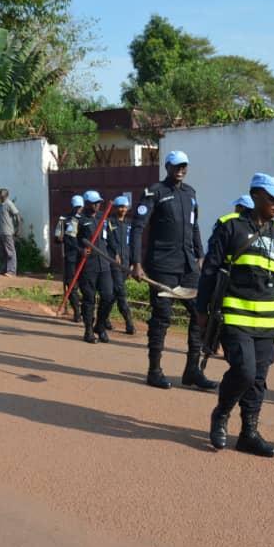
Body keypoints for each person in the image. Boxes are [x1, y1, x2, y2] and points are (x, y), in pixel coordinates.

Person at [197, 173, 274, 457]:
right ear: (255, 195)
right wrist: (202, 310)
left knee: (258, 380)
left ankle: (248, 434)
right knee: (244, 371)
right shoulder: (230, 228)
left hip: (267, 323)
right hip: (235, 316)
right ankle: (221, 414)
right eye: (272, 198)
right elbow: (209, 270)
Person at [129, 150, 216, 390]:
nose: (180, 170)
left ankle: (192, 370)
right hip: (162, 266)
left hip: (188, 265)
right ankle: (154, 370)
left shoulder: (190, 194)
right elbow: (137, 227)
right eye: (176, 166)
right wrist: (136, 262)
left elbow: (194, 226)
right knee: (162, 318)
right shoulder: (155, 192)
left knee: (200, 315)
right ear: (167, 167)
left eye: (184, 166)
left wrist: (200, 255)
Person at [77, 190, 115, 344]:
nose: (97, 205)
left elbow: (111, 238)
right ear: (86, 204)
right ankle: (88, 330)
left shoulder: (103, 218)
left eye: (99, 202)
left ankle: (100, 325)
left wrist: (116, 253)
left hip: (104, 264)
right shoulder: (78, 221)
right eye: (94, 203)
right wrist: (81, 250)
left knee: (108, 296)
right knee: (89, 299)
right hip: (88, 266)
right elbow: (69, 240)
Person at [108, 196, 136, 335]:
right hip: (114, 263)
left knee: (114, 293)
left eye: (125, 207)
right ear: (115, 208)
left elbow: (131, 244)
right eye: (120, 207)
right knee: (121, 292)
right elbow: (107, 242)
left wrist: (132, 263)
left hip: (126, 263)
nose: (123, 210)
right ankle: (129, 323)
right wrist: (114, 254)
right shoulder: (109, 223)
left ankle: (104, 318)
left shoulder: (129, 224)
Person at [55, 195, 84, 323]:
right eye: (76, 207)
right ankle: (77, 311)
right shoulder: (63, 219)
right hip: (70, 257)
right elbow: (57, 237)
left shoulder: (85, 219)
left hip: (83, 257)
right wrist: (59, 237)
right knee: (71, 284)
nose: (78, 209)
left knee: (84, 284)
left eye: (80, 207)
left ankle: (85, 310)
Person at [0, 188, 20, 276]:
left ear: (6, 195)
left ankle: (12, 271)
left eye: (1, 193)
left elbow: (17, 215)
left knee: (11, 252)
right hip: (1, 232)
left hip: (8, 232)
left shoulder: (9, 203)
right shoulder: (1, 205)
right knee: (2, 252)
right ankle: (3, 269)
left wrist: (18, 229)